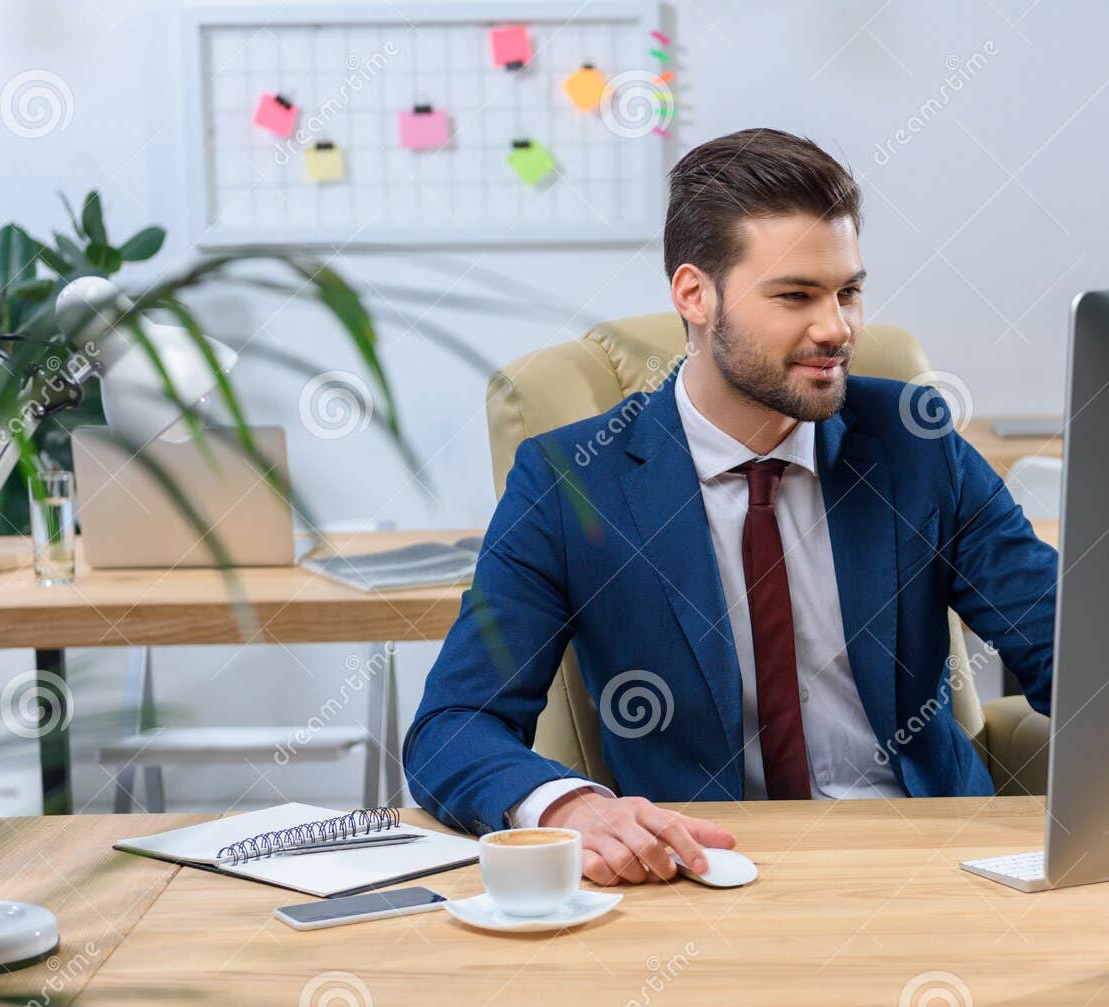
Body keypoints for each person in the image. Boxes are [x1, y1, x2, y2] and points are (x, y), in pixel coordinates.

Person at [405, 128, 1058, 887]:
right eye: (795, 296)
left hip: (929, 862)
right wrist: (569, 809)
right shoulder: (568, 482)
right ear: (695, 295)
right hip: (699, 873)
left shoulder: (915, 444)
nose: (837, 328)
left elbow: (1065, 648)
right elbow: (453, 728)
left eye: (848, 291)